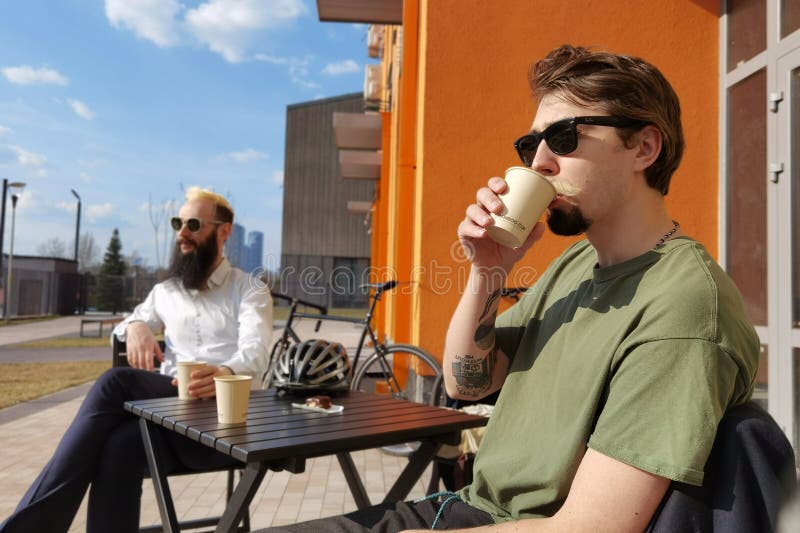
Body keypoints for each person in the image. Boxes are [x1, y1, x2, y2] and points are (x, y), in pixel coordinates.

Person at [254, 44, 759, 532]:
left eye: (563, 137)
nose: (538, 161)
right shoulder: (580, 262)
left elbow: (592, 528)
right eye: (530, 144)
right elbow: (467, 383)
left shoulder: (682, 306)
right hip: (468, 505)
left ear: (644, 147)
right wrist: (487, 270)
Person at [1, 187, 273, 533]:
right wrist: (137, 326)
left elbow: (256, 352)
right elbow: (129, 324)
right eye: (178, 223)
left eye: (193, 224)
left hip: (226, 425)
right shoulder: (165, 292)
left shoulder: (249, 288)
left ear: (224, 231)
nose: (181, 233)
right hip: (170, 421)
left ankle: (27, 528)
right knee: (118, 446)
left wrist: (226, 371)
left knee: (115, 382)